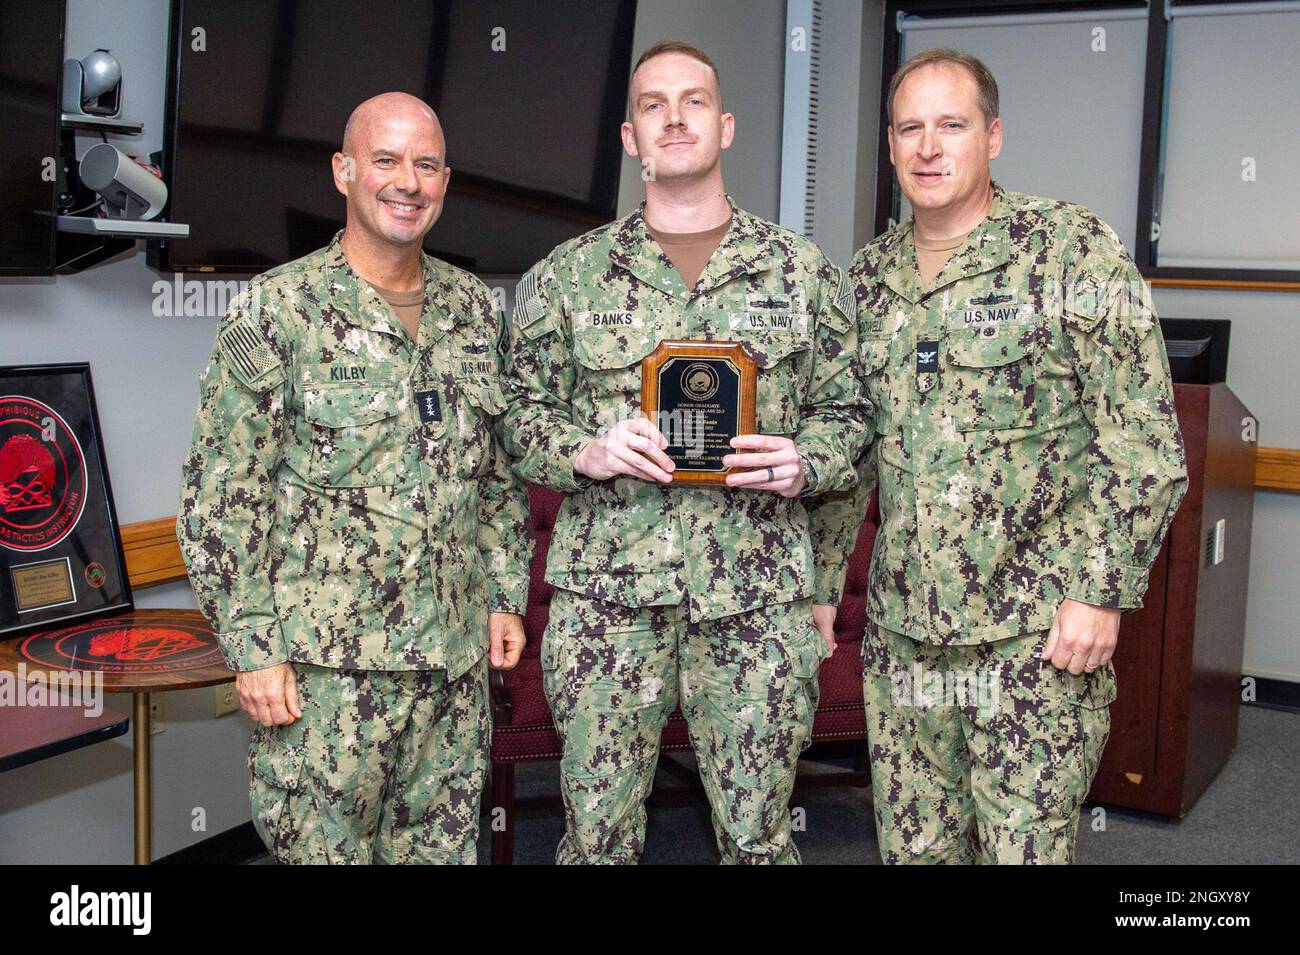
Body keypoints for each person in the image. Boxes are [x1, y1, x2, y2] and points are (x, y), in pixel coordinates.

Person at [809, 48, 1188, 864]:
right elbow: (853, 449)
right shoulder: (866, 279)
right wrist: (818, 585)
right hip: (906, 639)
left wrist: (1099, 589)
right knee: (914, 852)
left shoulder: (1070, 250)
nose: (928, 146)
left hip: (1035, 639)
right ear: (889, 147)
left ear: (994, 135)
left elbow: (1146, 444)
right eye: (909, 128)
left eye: (952, 124)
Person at [500, 41, 870, 864]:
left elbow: (853, 415)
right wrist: (585, 450)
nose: (674, 117)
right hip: (608, 603)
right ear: (630, 137)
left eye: (694, 101)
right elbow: (516, 416)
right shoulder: (565, 278)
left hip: (755, 599)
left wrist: (807, 459)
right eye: (653, 105)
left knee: (759, 841)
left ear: (725, 126)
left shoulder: (803, 274)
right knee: (596, 842)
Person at [177, 92, 531, 864]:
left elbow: (496, 477)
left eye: (427, 164)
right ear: (343, 172)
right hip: (327, 684)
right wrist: (254, 647)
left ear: (446, 180)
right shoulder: (276, 312)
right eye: (386, 159)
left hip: (451, 675)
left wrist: (504, 594)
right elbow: (219, 503)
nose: (408, 181)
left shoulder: (474, 310)